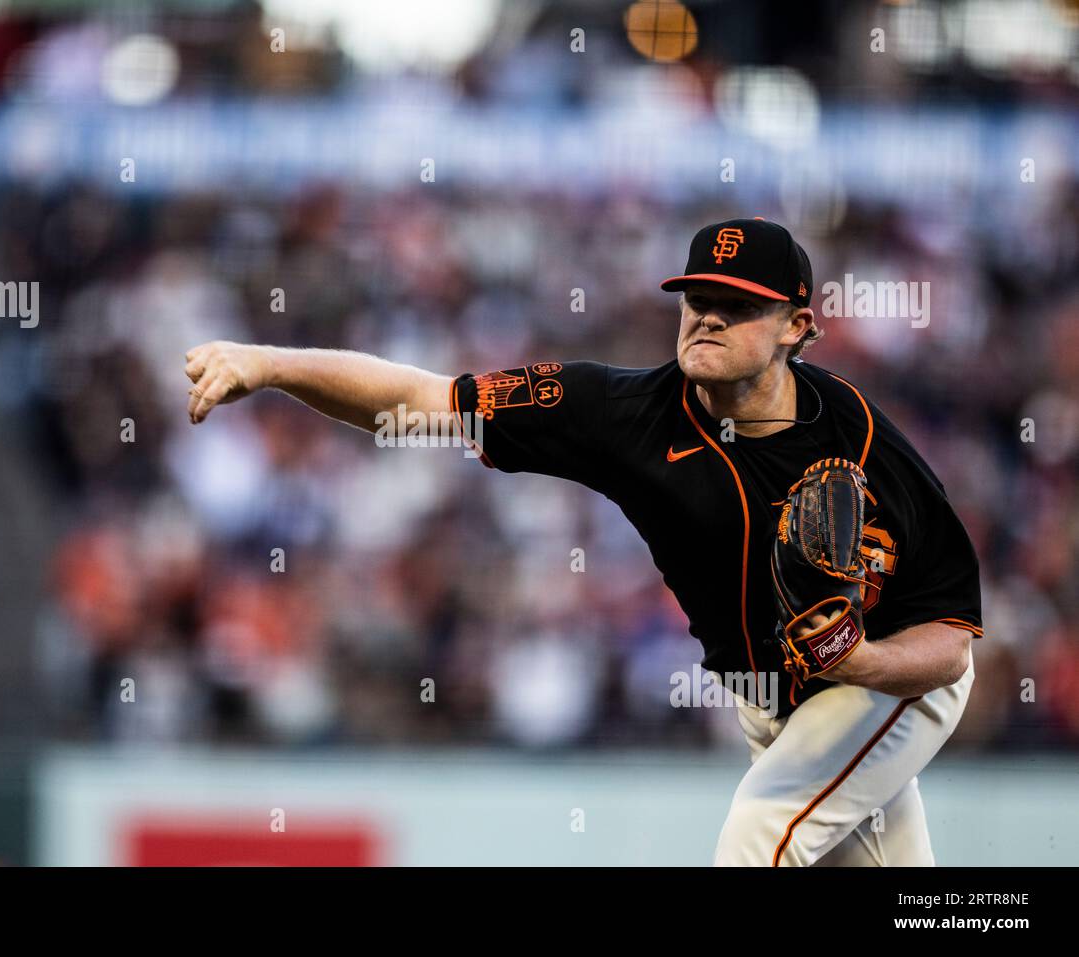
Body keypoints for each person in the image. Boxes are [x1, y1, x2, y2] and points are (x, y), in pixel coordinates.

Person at [182, 218, 983, 866]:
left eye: (735, 303)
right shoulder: (622, 413)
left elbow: (950, 642)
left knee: (759, 834)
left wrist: (864, 662)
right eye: (695, 295)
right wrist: (269, 364)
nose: (706, 313)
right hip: (771, 701)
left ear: (795, 326)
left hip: (889, 679)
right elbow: (425, 401)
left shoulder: (865, 439)